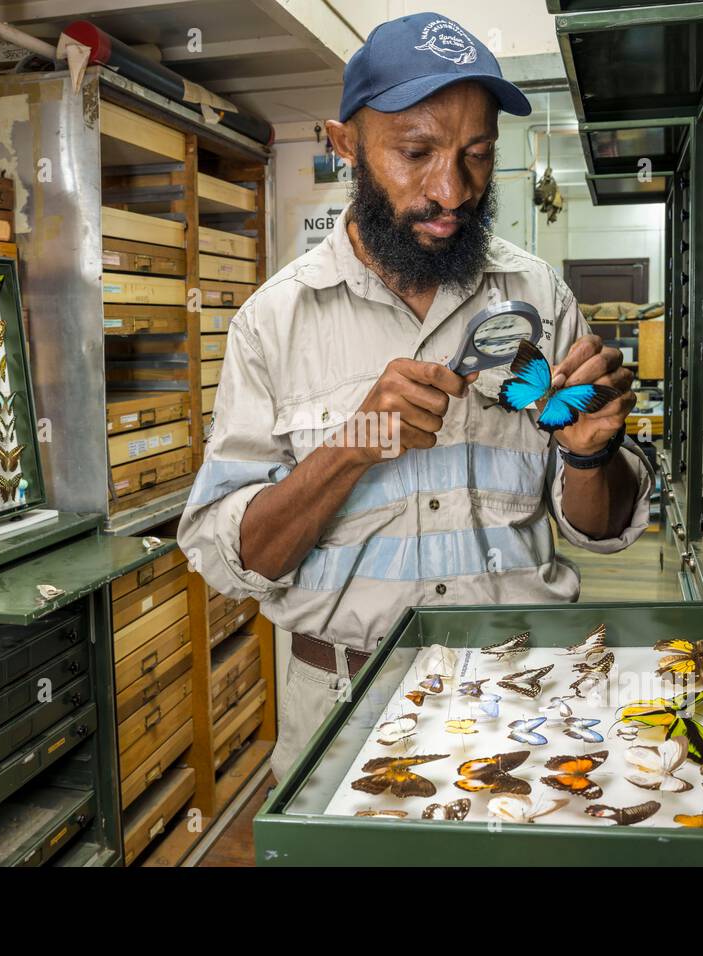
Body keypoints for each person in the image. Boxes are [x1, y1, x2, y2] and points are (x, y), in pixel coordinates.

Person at [178, 12, 652, 781]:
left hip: (526, 696)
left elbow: (596, 530)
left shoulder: (540, 295)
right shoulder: (273, 323)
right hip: (341, 702)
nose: (451, 189)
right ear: (343, 146)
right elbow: (234, 561)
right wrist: (351, 447)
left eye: (477, 155)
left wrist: (591, 457)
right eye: (416, 152)